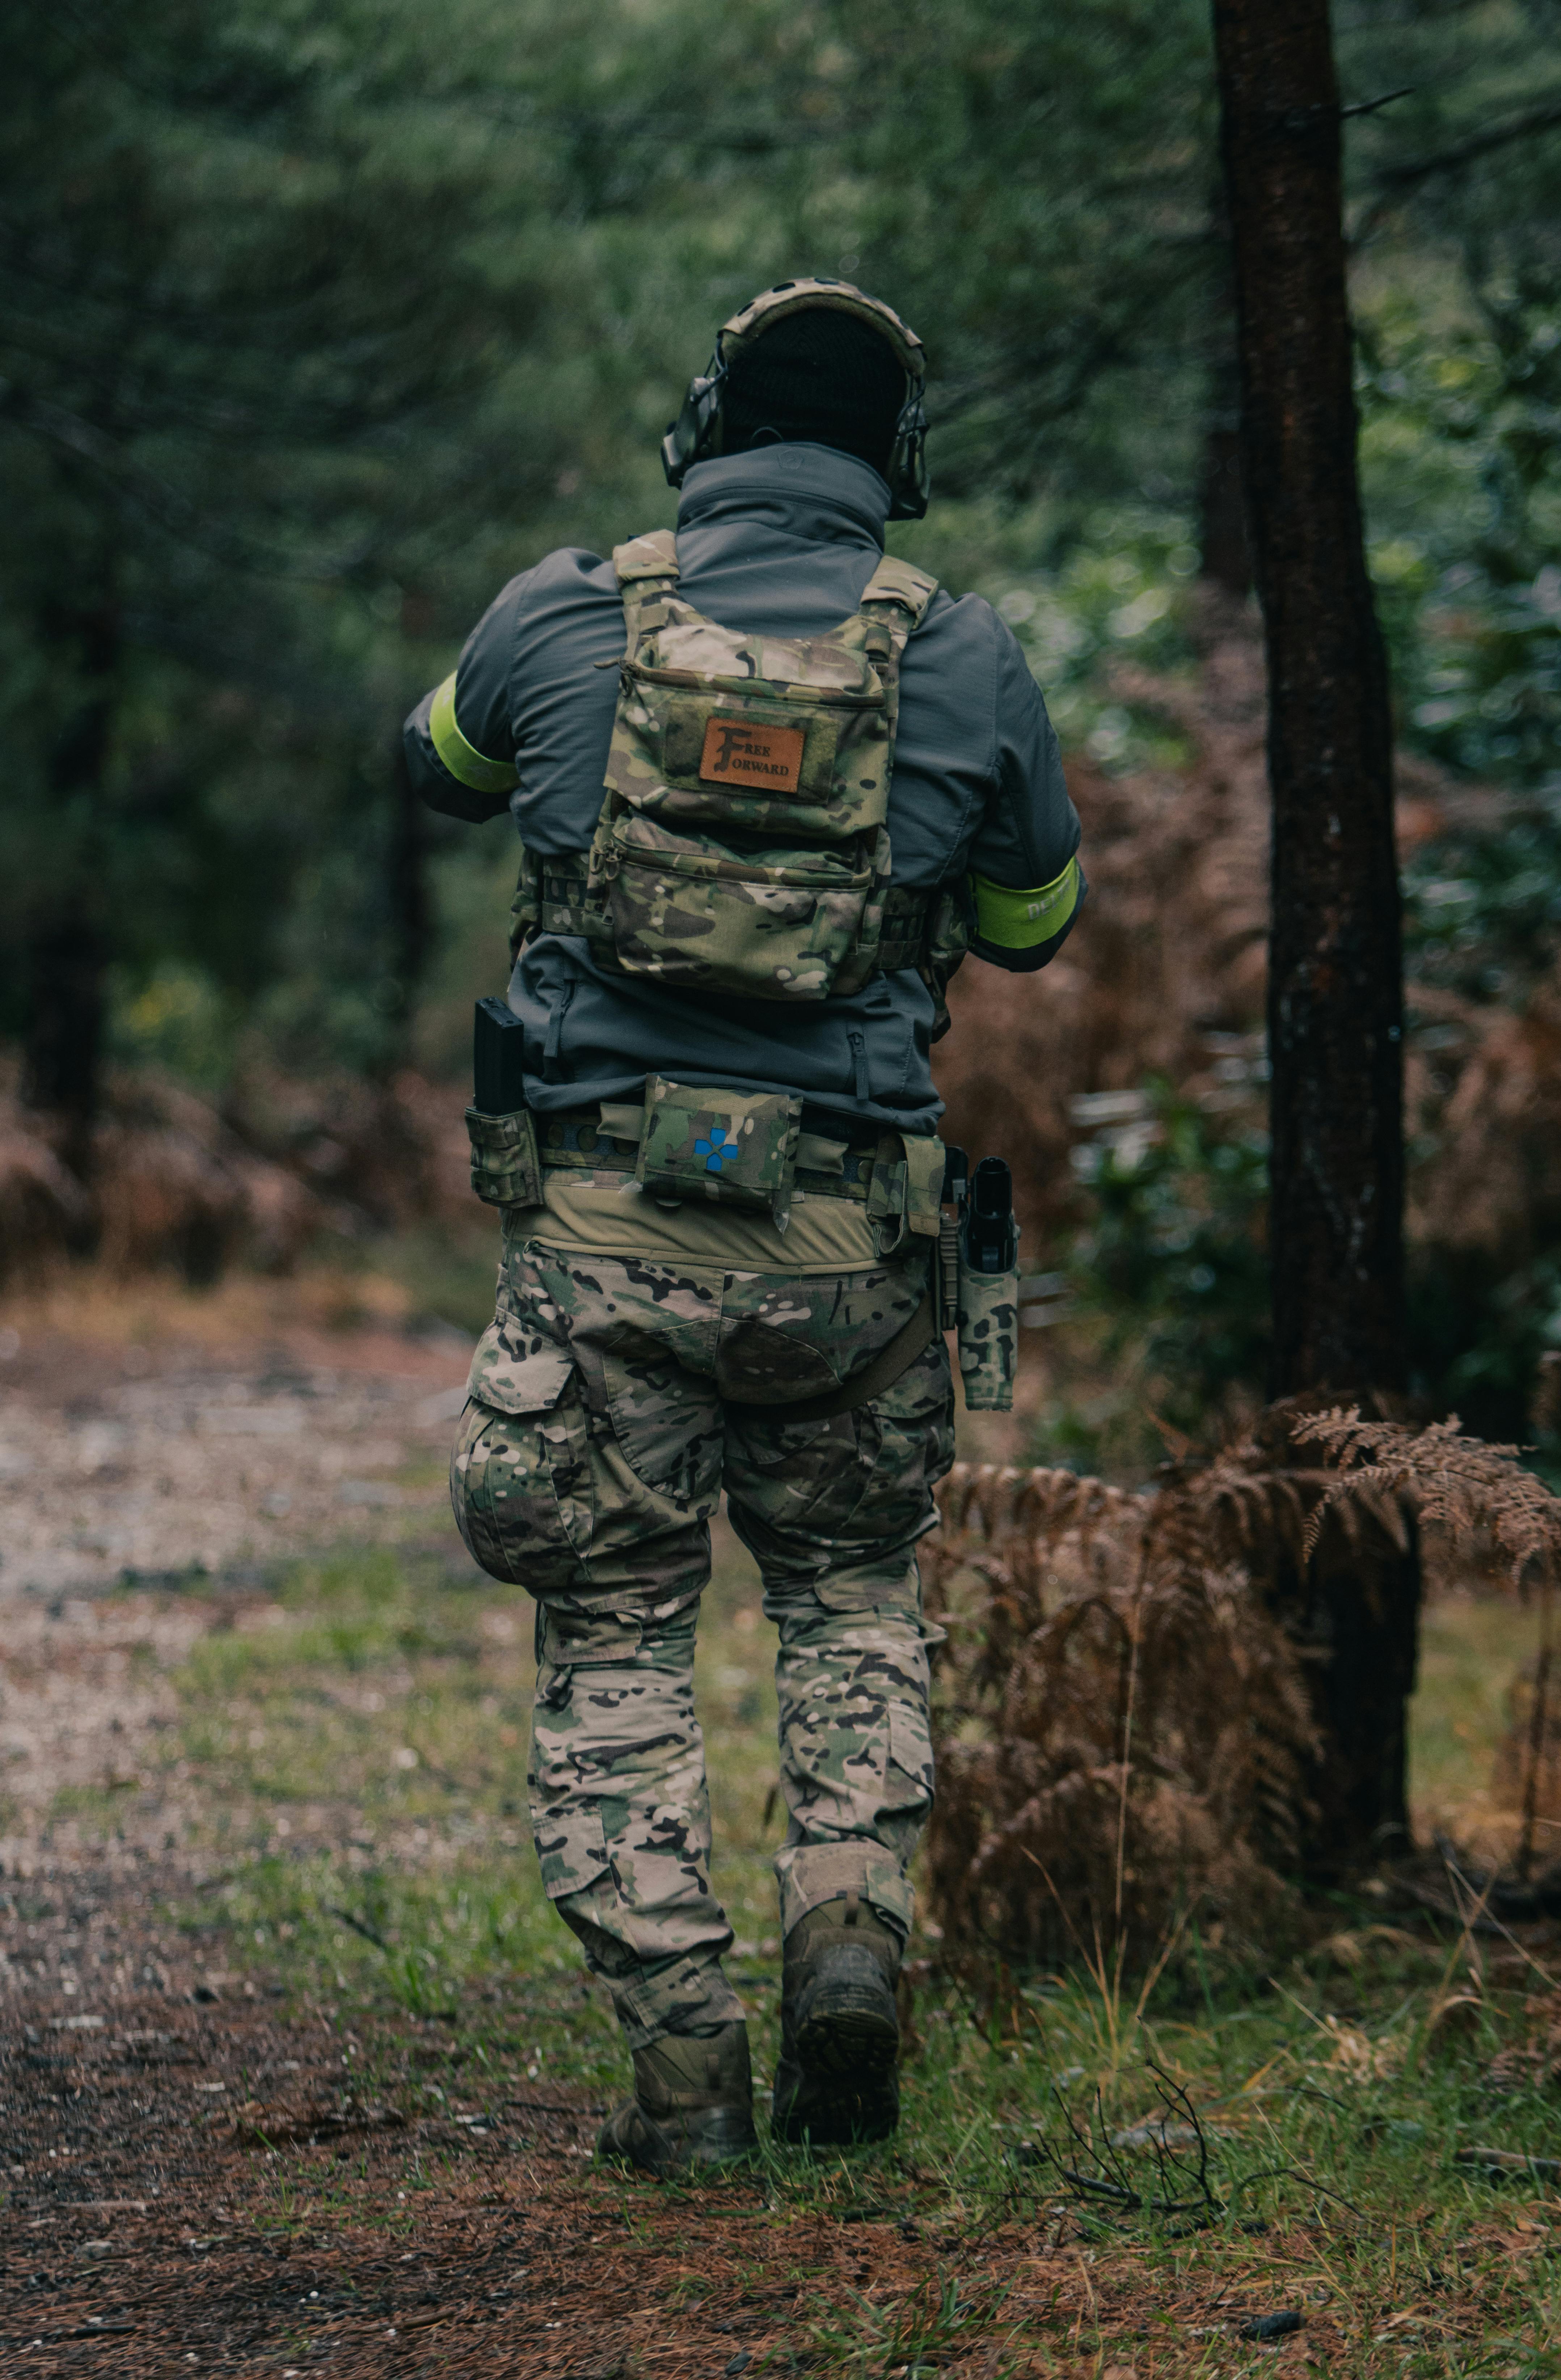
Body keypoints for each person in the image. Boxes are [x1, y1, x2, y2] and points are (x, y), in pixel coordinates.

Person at [404, 280, 1085, 2174]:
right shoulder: (963, 655)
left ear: (708, 431)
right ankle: (848, 1949)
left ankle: (688, 2075)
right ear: (900, 462)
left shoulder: (562, 608)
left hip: (609, 1234)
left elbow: (431, 767)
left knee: (614, 1629)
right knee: (852, 1603)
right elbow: (1036, 931)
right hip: (848, 1250)